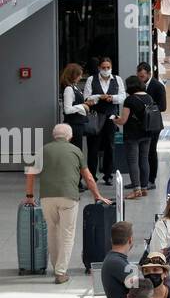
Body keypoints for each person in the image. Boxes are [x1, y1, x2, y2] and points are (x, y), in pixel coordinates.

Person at [23, 125, 109, 285]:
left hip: (47, 197)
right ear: (69, 137)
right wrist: (97, 196)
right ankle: (60, 272)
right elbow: (89, 177)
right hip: (69, 198)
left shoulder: (43, 150)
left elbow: (30, 173)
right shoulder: (76, 151)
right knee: (67, 234)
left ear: (54, 136)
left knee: (52, 231)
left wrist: (29, 196)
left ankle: (57, 268)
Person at [82, 56, 124, 184]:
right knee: (93, 146)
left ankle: (108, 175)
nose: (106, 70)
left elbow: (122, 96)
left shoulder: (117, 79)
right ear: (99, 68)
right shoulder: (91, 79)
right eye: (103, 68)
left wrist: (112, 98)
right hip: (95, 116)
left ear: (111, 68)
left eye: (108, 68)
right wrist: (99, 97)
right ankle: (92, 175)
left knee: (110, 146)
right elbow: (87, 98)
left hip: (111, 116)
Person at [115, 75, 153, 200]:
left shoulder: (130, 100)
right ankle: (144, 188)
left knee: (133, 161)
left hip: (132, 135)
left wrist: (114, 119)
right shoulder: (149, 97)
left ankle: (136, 190)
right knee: (144, 159)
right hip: (147, 133)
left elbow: (123, 120)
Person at [137, 62, 166, 189]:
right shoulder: (137, 85)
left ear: (149, 74)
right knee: (141, 151)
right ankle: (141, 179)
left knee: (151, 151)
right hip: (141, 124)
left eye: (143, 76)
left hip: (153, 124)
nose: (140, 79)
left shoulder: (158, 86)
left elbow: (163, 106)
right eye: (139, 76)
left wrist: (147, 108)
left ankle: (151, 179)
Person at [101, 221, 135, 298]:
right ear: (130, 239)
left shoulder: (113, 259)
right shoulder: (117, 262)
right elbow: (139, 289)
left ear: (111, 239)